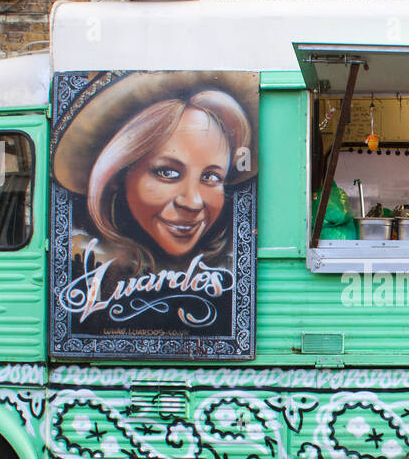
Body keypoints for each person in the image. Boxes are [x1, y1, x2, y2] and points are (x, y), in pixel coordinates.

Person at [51, 71, 257, 333]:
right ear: (117, 173)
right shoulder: (82, 255)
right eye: (167, 172)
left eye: (211, 177)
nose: (192, 202)